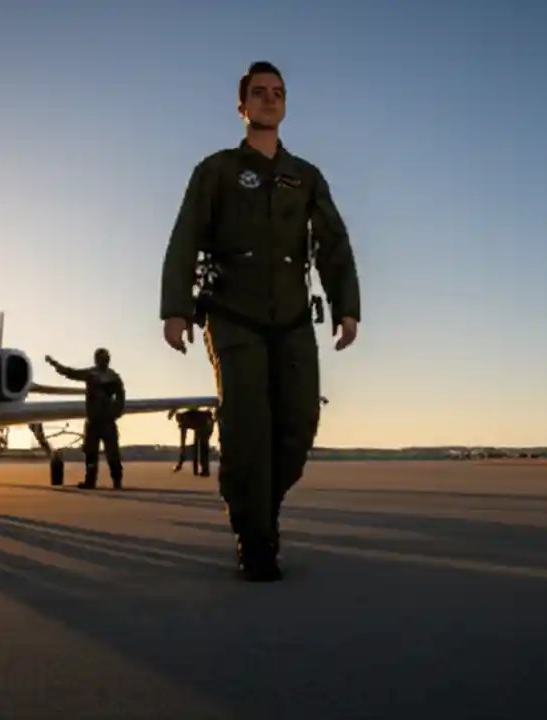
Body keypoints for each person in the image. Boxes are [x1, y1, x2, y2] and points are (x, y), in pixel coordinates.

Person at [159, 60, 361, 581]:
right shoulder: (217, 170)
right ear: (242, 106)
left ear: (285, 104)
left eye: (278, 92)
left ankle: (261, 512)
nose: (269, 99)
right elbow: (185, 236)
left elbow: (332, 243)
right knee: (247, 427)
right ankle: (255, 539)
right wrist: (177, 308)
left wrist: (347, 306)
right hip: (233, 315)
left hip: (293, 317)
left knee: (297, 426)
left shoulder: (306, 176)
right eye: (259, 93)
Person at [45, 349, 126, 489]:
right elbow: (70, 373)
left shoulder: (103, 376)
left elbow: (121, 398)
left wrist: (116, 412)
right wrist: (55, 364)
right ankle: (100, 481)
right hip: (98, 420)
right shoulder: (106, 376)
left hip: (101, 420)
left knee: (108, 453)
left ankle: (110, 480)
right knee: (93, 453)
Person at [169, 408, 215, 476]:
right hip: (204, 424)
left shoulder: (184, 420)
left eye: (178, 421)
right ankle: (198, 471)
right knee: (197, 447)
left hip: (206, 425)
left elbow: (183, 438)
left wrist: (182, 448)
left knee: (202, 448)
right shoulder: (187, 416)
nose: (178, 423)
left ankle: (205, 471)